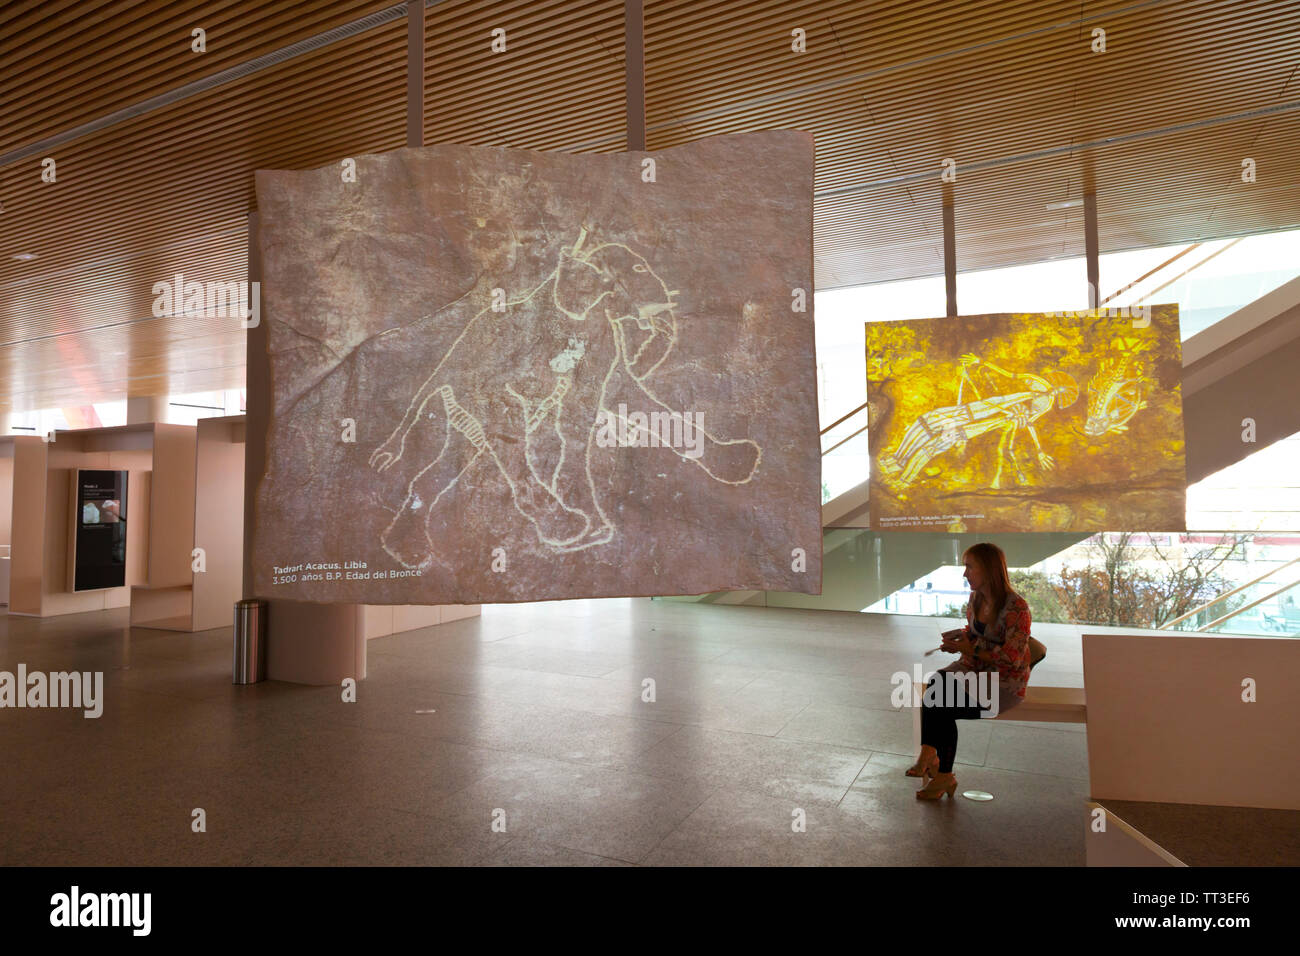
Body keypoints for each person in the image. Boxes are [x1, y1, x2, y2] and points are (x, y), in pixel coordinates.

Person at [906, 542, 1033, 799]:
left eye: (969, 567)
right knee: (936, 684)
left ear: (988, 569)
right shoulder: (977, 598)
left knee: (941, 704)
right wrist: (960, 641)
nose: (965, 574)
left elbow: (1012, 660)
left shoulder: (1017, 608)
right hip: (974, 671)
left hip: (1002, 684)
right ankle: (933, 759)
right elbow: (976, 634)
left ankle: (940, 770)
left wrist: (970, 649)